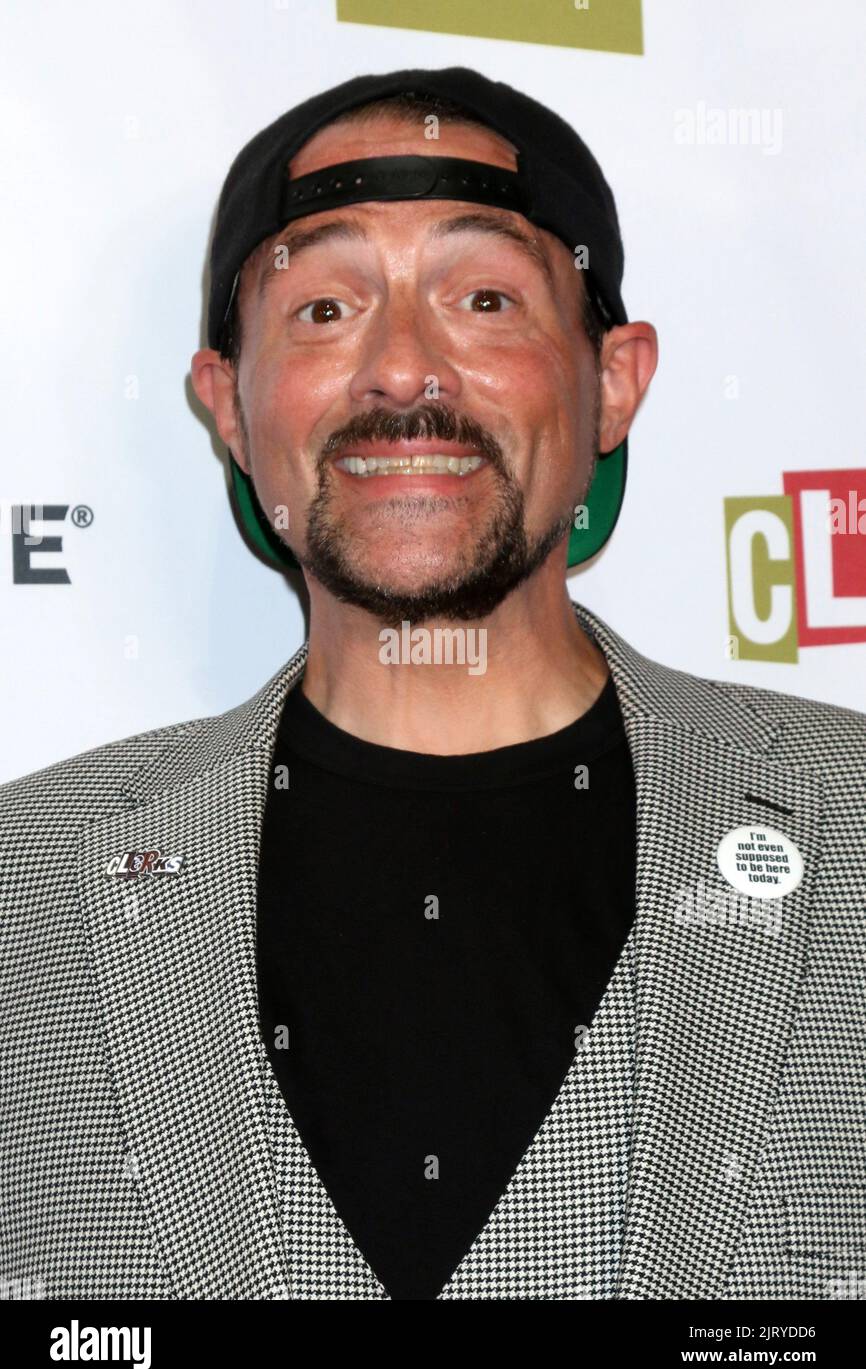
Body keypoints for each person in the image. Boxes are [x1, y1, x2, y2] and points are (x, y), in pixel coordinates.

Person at [1, 67, 863, 1302]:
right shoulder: (18, 891)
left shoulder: (855, 826)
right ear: (227, 411)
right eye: (322, 310)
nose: (403, 371)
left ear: (611, 381)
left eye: (483, 296)